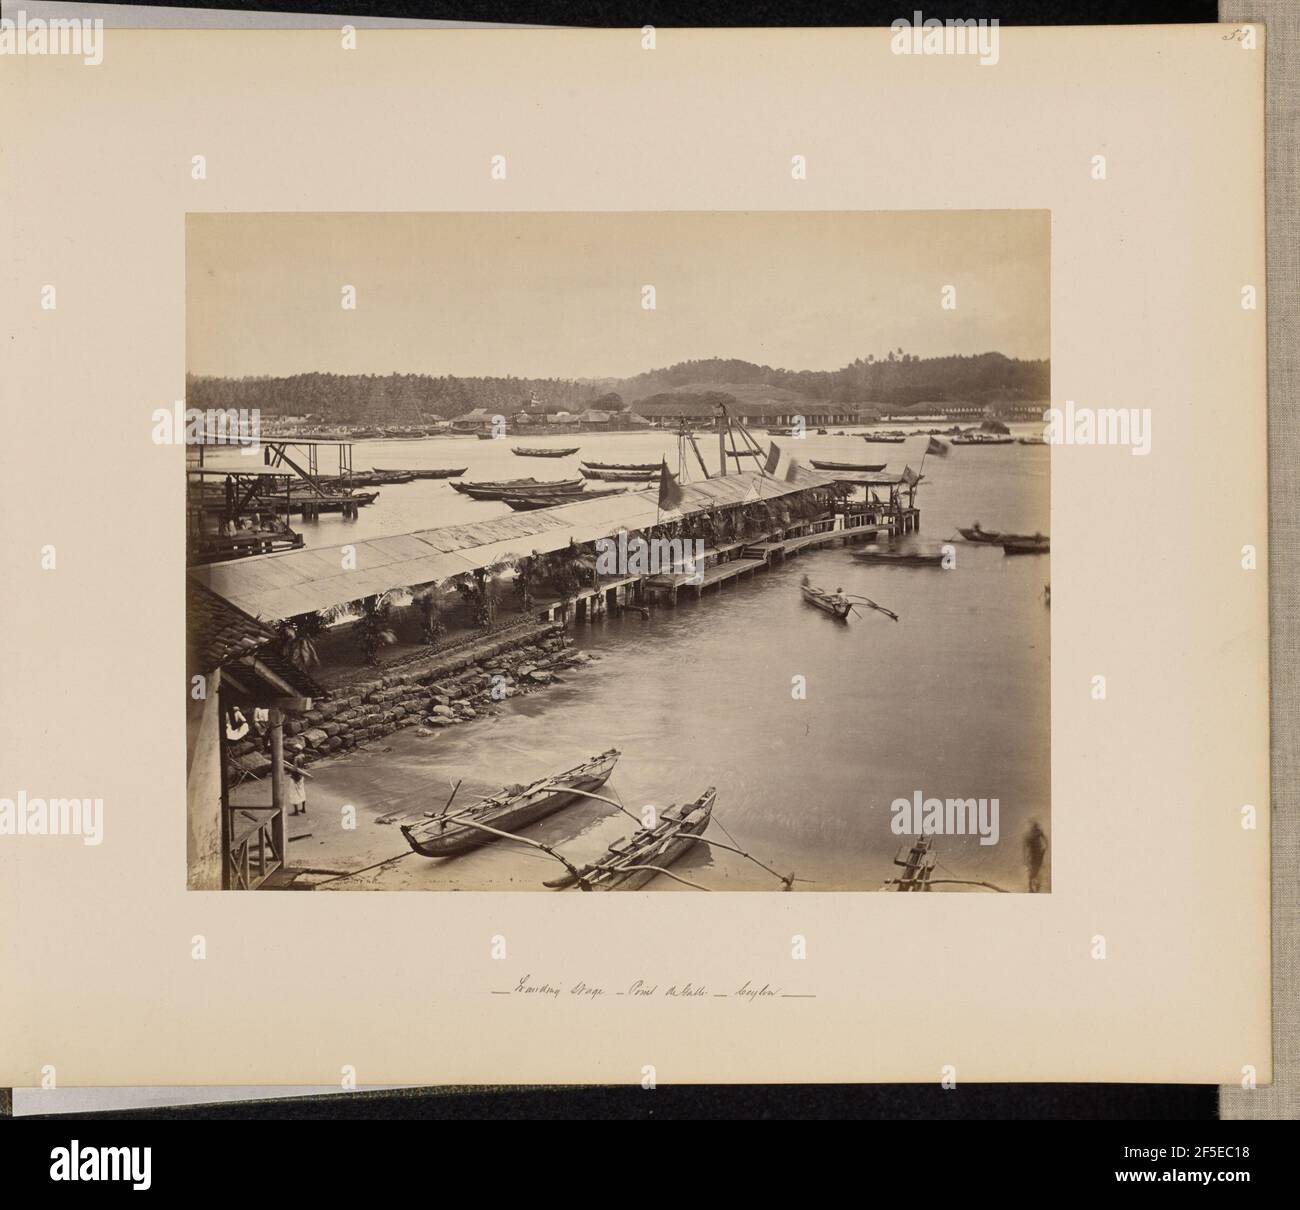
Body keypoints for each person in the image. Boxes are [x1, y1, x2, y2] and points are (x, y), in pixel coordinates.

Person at [1023, 820, 1048, 892]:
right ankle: (1031, 886)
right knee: (1032, 871)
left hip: (1038, 854)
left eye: (1035, 827)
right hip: (1033, 855)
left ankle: (1034, 885)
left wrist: (1045, 847)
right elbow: (1025, 846)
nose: (1035, 828)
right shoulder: (1030, 835)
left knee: (1036, 870)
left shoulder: (1038, 832)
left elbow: (1045, 840)